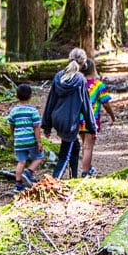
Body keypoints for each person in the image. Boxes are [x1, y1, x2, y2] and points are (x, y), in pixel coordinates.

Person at [42, 48, 96, 179]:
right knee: (64, 154)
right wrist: (92, 127)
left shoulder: (58, 76)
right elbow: (86, 106)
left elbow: (51, 101)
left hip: (57, 118)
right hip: (70, 121)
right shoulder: (80, 80)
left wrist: (47, 125)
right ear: (84, 64)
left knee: (75, 146)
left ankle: (73, 177)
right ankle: (54, 181)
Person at [79, 60, 116, 177]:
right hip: (91, 120)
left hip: (78, 120)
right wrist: (112, 116)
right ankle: (85, 172)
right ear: (93, 70)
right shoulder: (98, 85)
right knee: (88, 147)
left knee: (84, 144)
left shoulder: (78, 84)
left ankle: (88, 168)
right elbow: (106, 103)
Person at [7, 84, 44, 192]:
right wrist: (39, 142)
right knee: (39, 156)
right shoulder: (33, 111)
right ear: (30, 96)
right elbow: (36, 127)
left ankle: (18, 185)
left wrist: (14, 136)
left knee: (21, 161)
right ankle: (28, 173)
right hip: (31, 140)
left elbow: (11, 124)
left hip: (19, 141)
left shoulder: (14, 111)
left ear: (16, 96)